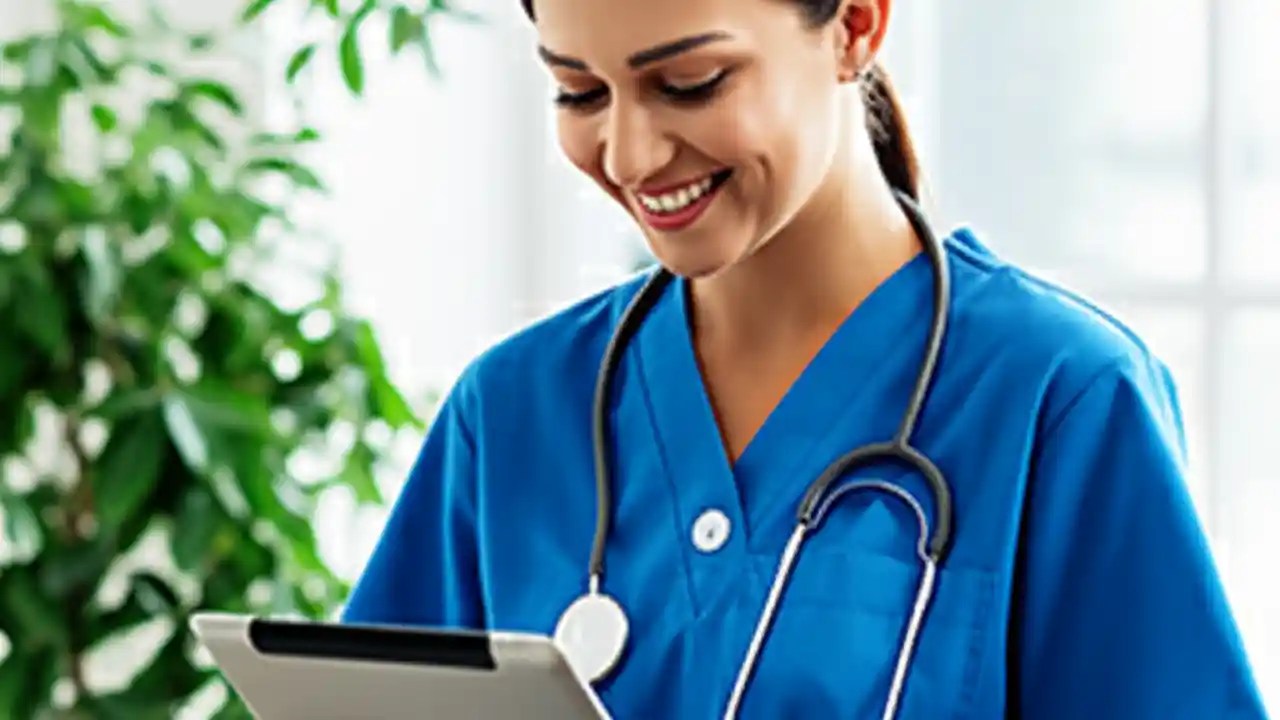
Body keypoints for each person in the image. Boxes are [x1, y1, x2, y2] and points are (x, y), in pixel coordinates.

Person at [341, 0, 1269, 716]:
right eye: (579, 92)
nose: (626, 153)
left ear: (856, 25)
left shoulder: (1059, 400)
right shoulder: (510, 412)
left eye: (691, 82)